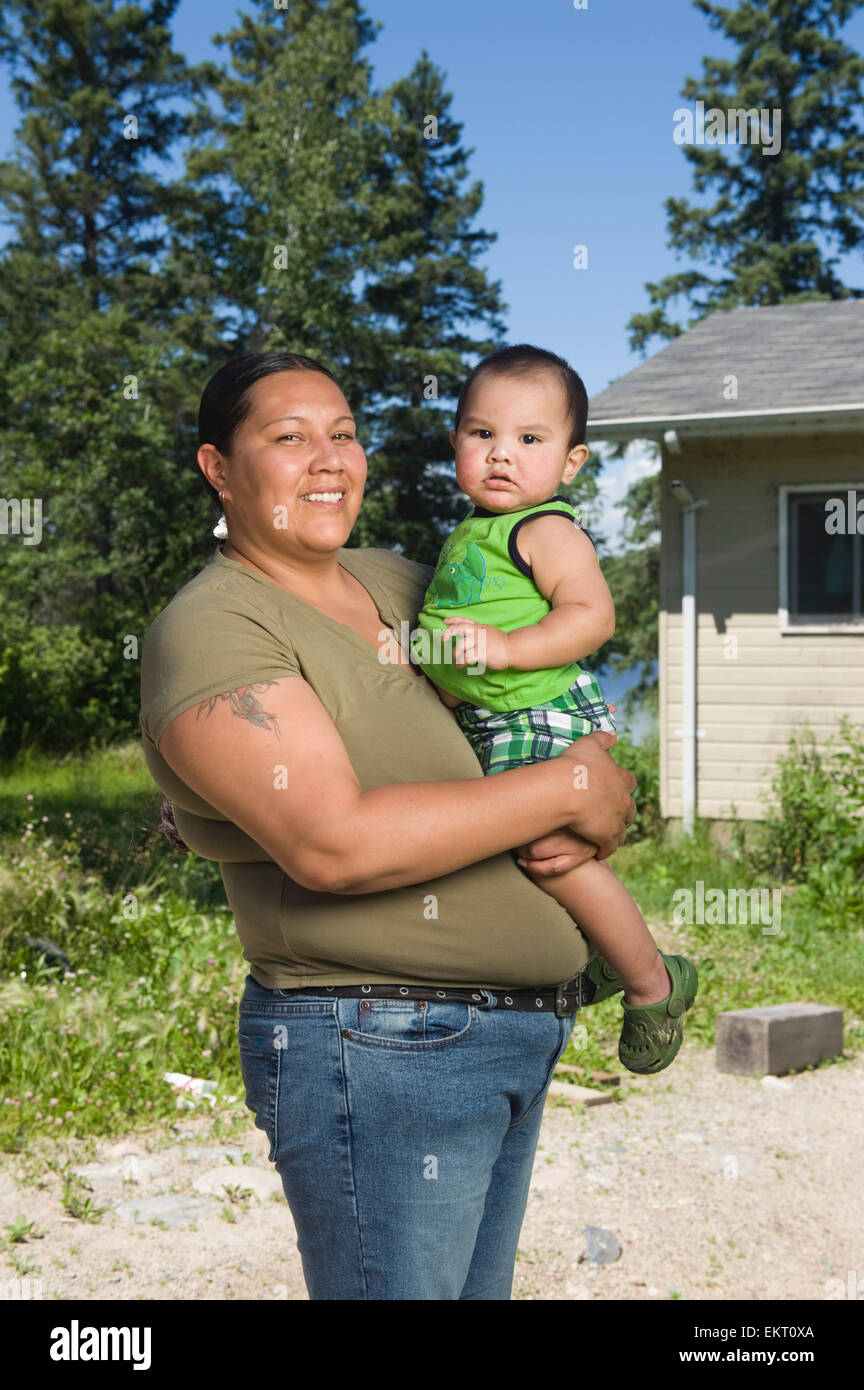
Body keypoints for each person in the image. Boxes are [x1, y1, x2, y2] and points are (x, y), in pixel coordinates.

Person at [140, 351, 637, 1301]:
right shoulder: (215, 626)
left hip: (508, 1036)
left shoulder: (406, 581)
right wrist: (568, 788)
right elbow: (334, 842)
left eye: (345, 434)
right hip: (379, 1044)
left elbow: (546, 695)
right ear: (218, 468)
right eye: (288, 438)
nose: (329, 459)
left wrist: (596, 780)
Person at [412, 345, 698, 1074]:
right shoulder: (469, 535)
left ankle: (653, 984)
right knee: (516, 851)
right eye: (482, 435)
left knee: (550, 857)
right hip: (495, 717)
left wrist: (507, 649)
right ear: (456, 444)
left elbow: (590, 617)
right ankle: (600, 959)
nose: (502, 455)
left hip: (542, 712)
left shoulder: (544, 529)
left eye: (530, 440)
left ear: (571, 464)